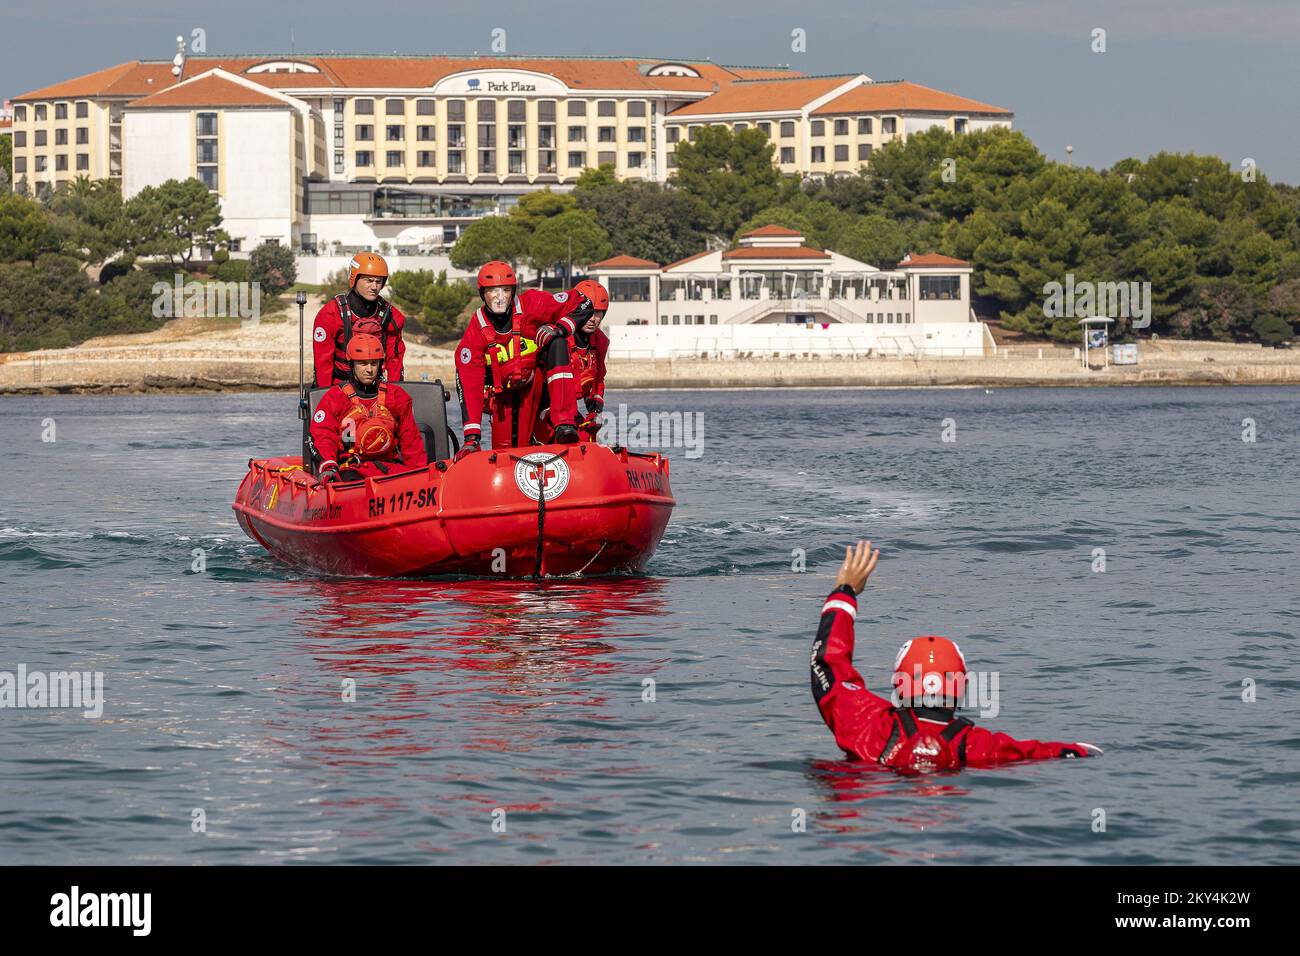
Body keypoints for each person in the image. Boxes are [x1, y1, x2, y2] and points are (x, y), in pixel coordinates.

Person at [811, 541, 1103, 771]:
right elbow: (1041, 752)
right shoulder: (982, 747)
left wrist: (844, 592)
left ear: (899, 684)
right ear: (961, 687)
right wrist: (1079, 750)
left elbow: (827, 663)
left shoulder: (865, 722)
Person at [453, 260, 588, 459]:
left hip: (539, 388)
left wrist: (561, 328)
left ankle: (564, 423)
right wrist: (471, 439)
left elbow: (583, 303)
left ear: (513, 291)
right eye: (493, 291)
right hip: (503, 398)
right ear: (482, 294)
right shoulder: (475, 333)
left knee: (558, 342)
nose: (500, 297)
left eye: (506, 290)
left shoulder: (533, 305)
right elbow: (470, 385)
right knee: (507, 453)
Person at [310, 333, 427, 481]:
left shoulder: (397, 396)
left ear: (380, 364)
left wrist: (421, 476)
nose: (369, 370)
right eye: (363, 363)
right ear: (352, 364)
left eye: (373, 363)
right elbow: (323, 435)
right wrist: (329, 467)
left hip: (390, 469)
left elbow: (411, 441)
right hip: (352, 470)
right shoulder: (335, 397)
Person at [312, 252, 407, 388]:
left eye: (378, 282)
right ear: (354, 279)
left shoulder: (390, 315)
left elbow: (395, 361)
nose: (374, 287)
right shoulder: (330, 314)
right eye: (369, 280)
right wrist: (325, 396)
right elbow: (322, 363)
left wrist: (395, 394)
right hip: (339, 390)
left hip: (376, 390)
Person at [535, 279, 609, 443]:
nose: (592, 319)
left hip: (568, 411)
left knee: (588, 438)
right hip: (542, 407)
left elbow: (598, 380)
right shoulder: (557, 337)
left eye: (598, 313)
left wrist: (595, 410)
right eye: (588, 312)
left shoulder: (600, 342)